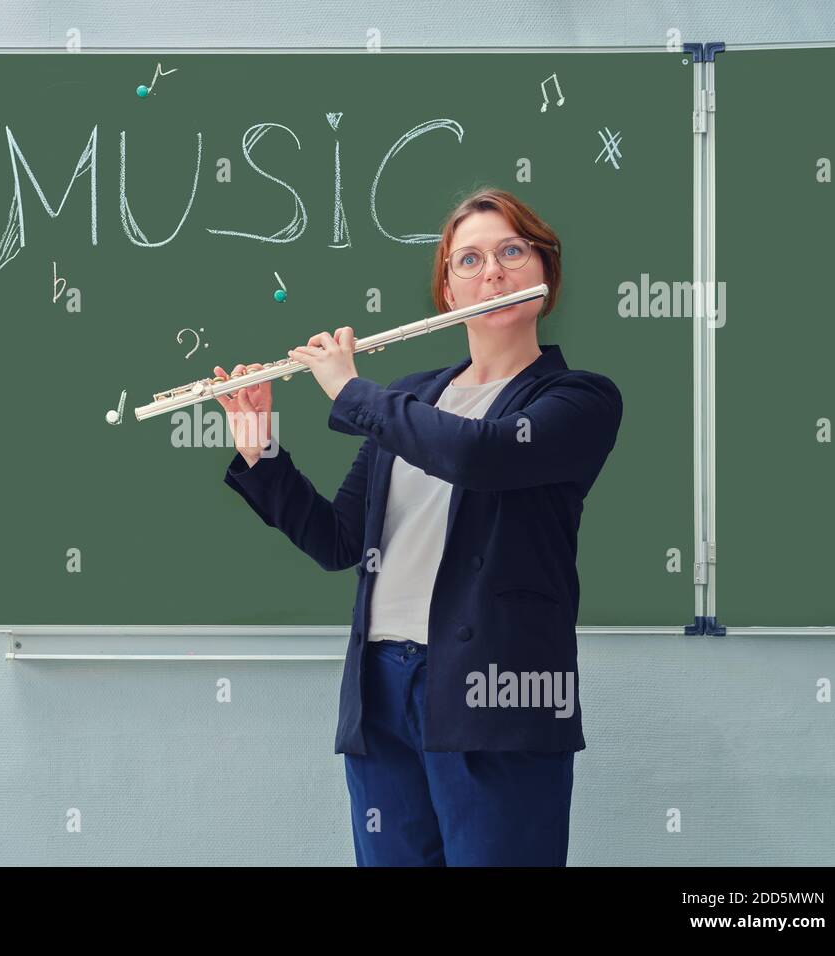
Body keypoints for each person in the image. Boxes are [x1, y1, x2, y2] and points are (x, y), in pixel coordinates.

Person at [217, 188, 623, 866]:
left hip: (495, 692)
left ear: (545, 273)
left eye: (511, 251)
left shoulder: (578, 399)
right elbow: (337, 541)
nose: (492, 271)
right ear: (447, 290)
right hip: (382, 689)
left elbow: (478, 453)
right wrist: (260, 447)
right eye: (468, 259)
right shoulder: (409, 398)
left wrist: (352, 391)